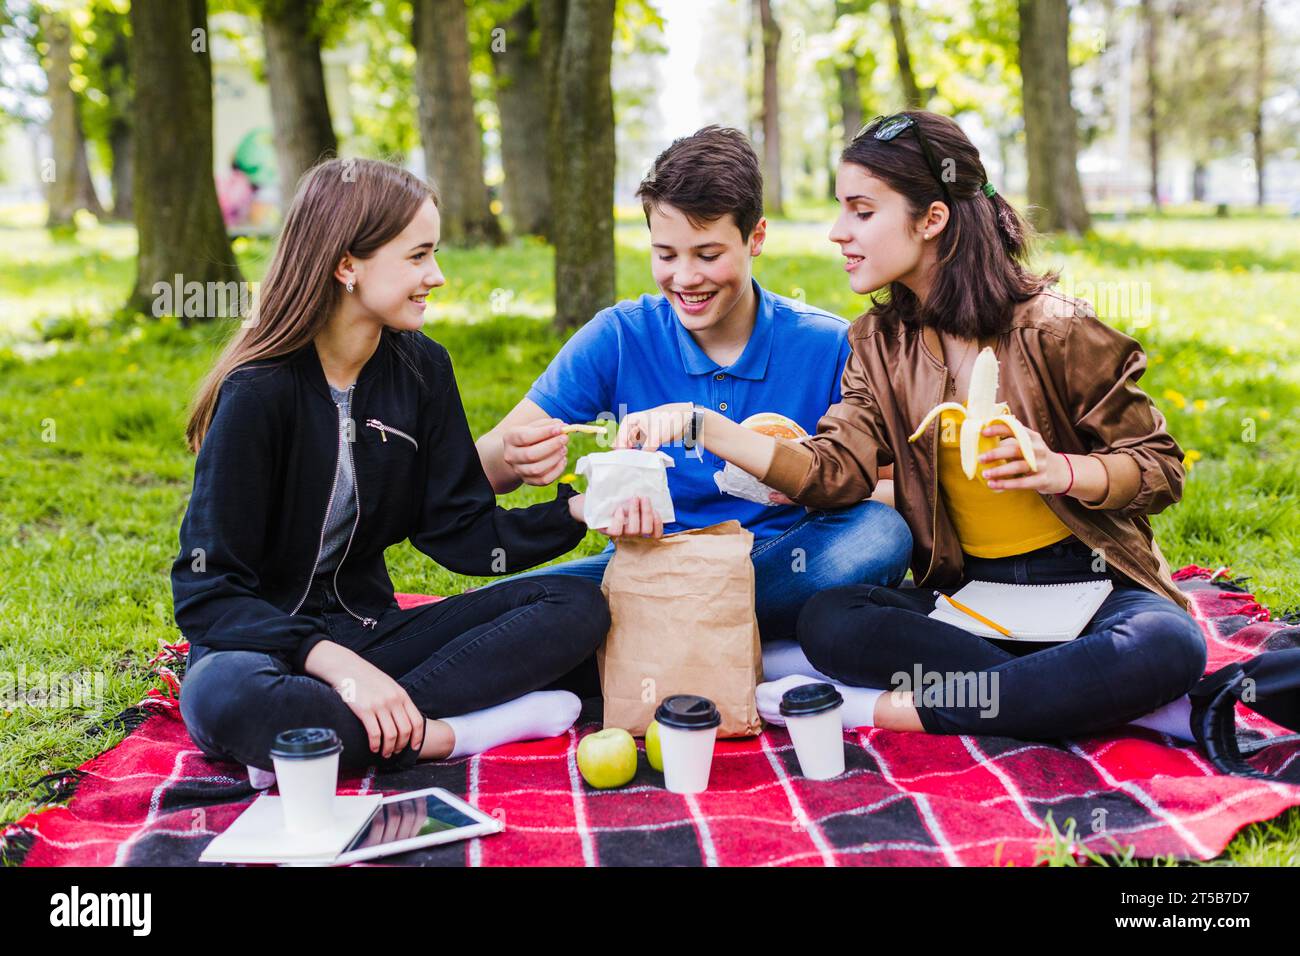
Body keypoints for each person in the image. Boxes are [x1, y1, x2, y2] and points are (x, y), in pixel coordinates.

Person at [614, 111, 1207, 742]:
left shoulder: (1055, 328)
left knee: (1167, 643)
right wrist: (705, 426)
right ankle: (1096, 696)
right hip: (971, 596)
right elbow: (833, 472)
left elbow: (1159, 466)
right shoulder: (877, 344)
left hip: (1089, 587)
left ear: (931, 219)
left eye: (861, 212)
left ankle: (886, 711)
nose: (838, 233)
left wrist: (1060, 469)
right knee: (832, 620)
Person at [172, 158, 646, 780]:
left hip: (372, 632)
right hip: (260, 649)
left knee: (575, 605)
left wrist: (576, 513)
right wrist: (337, 667)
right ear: (347, 265)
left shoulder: (422, 370)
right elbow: (208, 591)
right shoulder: (258, 392)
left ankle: (331, 741)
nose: (437, 276)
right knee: (230, 702)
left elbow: (459, 531)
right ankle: (458, 731)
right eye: (418, 256)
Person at [476, 126, 912, 656]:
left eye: (707, 255)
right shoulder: (620, 336)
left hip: (779, 560)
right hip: (654, 568)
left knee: (877, 535)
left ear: (756, 238)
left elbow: (896, 494)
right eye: (666, 255)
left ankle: (652, 640)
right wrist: (515, 457)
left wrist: (806, 480)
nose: (685, 278)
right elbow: (479, 476)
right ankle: (721, 642)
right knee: (494, 612)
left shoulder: (827, 344)